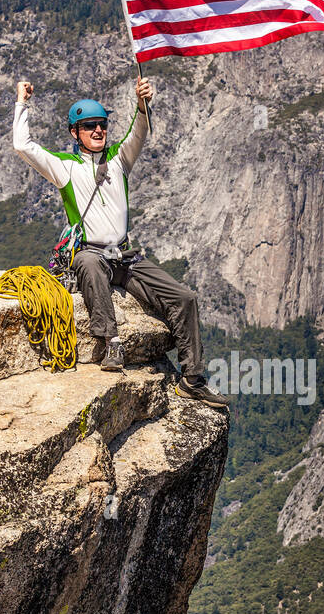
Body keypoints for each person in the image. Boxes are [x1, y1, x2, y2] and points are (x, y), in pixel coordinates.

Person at [12, 76, 229, 409]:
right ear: (75, 133)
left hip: (124, 257)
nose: (98, 131)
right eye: (89, 127)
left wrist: (142, 104)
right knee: (86, 262)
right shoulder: (64, 167)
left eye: (101, 125)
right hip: (92, 254)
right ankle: (110, 341)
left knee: (184, 297)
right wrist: (22, 104)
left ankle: (193, 380)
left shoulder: (119, 159)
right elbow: (22, 147)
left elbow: (139, 132)